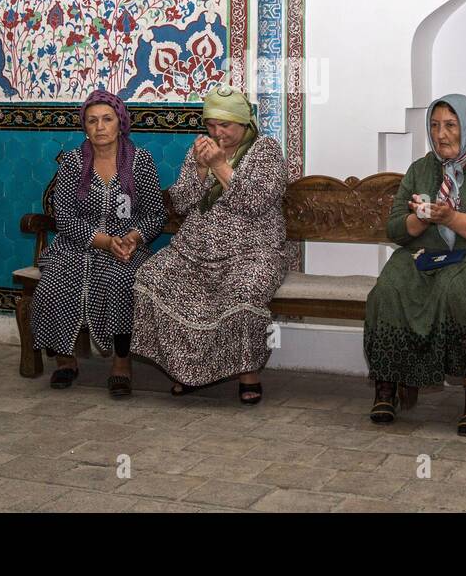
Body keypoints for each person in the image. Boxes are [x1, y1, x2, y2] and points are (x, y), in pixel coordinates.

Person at [364, 94, 466, 436]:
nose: (440, 134)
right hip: (425, 254)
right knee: (387, 289)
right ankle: (387, 384)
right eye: (434, 125)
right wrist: (420, 220)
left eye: (450, 125)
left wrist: (452, 218)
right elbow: (394, 229)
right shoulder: (421, 169)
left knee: (455, 290)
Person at [132, 85, 288, 404]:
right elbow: (181, 202)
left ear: (244, 123)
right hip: (194, 252)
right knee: (153, 277)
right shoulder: (199, 149)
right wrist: (201, 171)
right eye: (211, 124)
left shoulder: (266, 151)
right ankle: (187, 370)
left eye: (225, 125)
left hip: (252, 253)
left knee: (244, 292)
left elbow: (255, 201)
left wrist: (220, 167)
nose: (217, 132)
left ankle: (248, 374)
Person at [31, 89, 165, 398]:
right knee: (54, 281)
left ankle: (121, 364)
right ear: (84, 126)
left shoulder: (139, 162)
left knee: (120, 279)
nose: (100, 127)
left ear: (121, 122)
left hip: (127, 248)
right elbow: (62, 216)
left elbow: (156, 214)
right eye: (92, 121)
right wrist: (101, 240)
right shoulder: (74, 163)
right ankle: (65, 360)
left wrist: (133, 237)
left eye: (107, 119)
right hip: (76, 245)